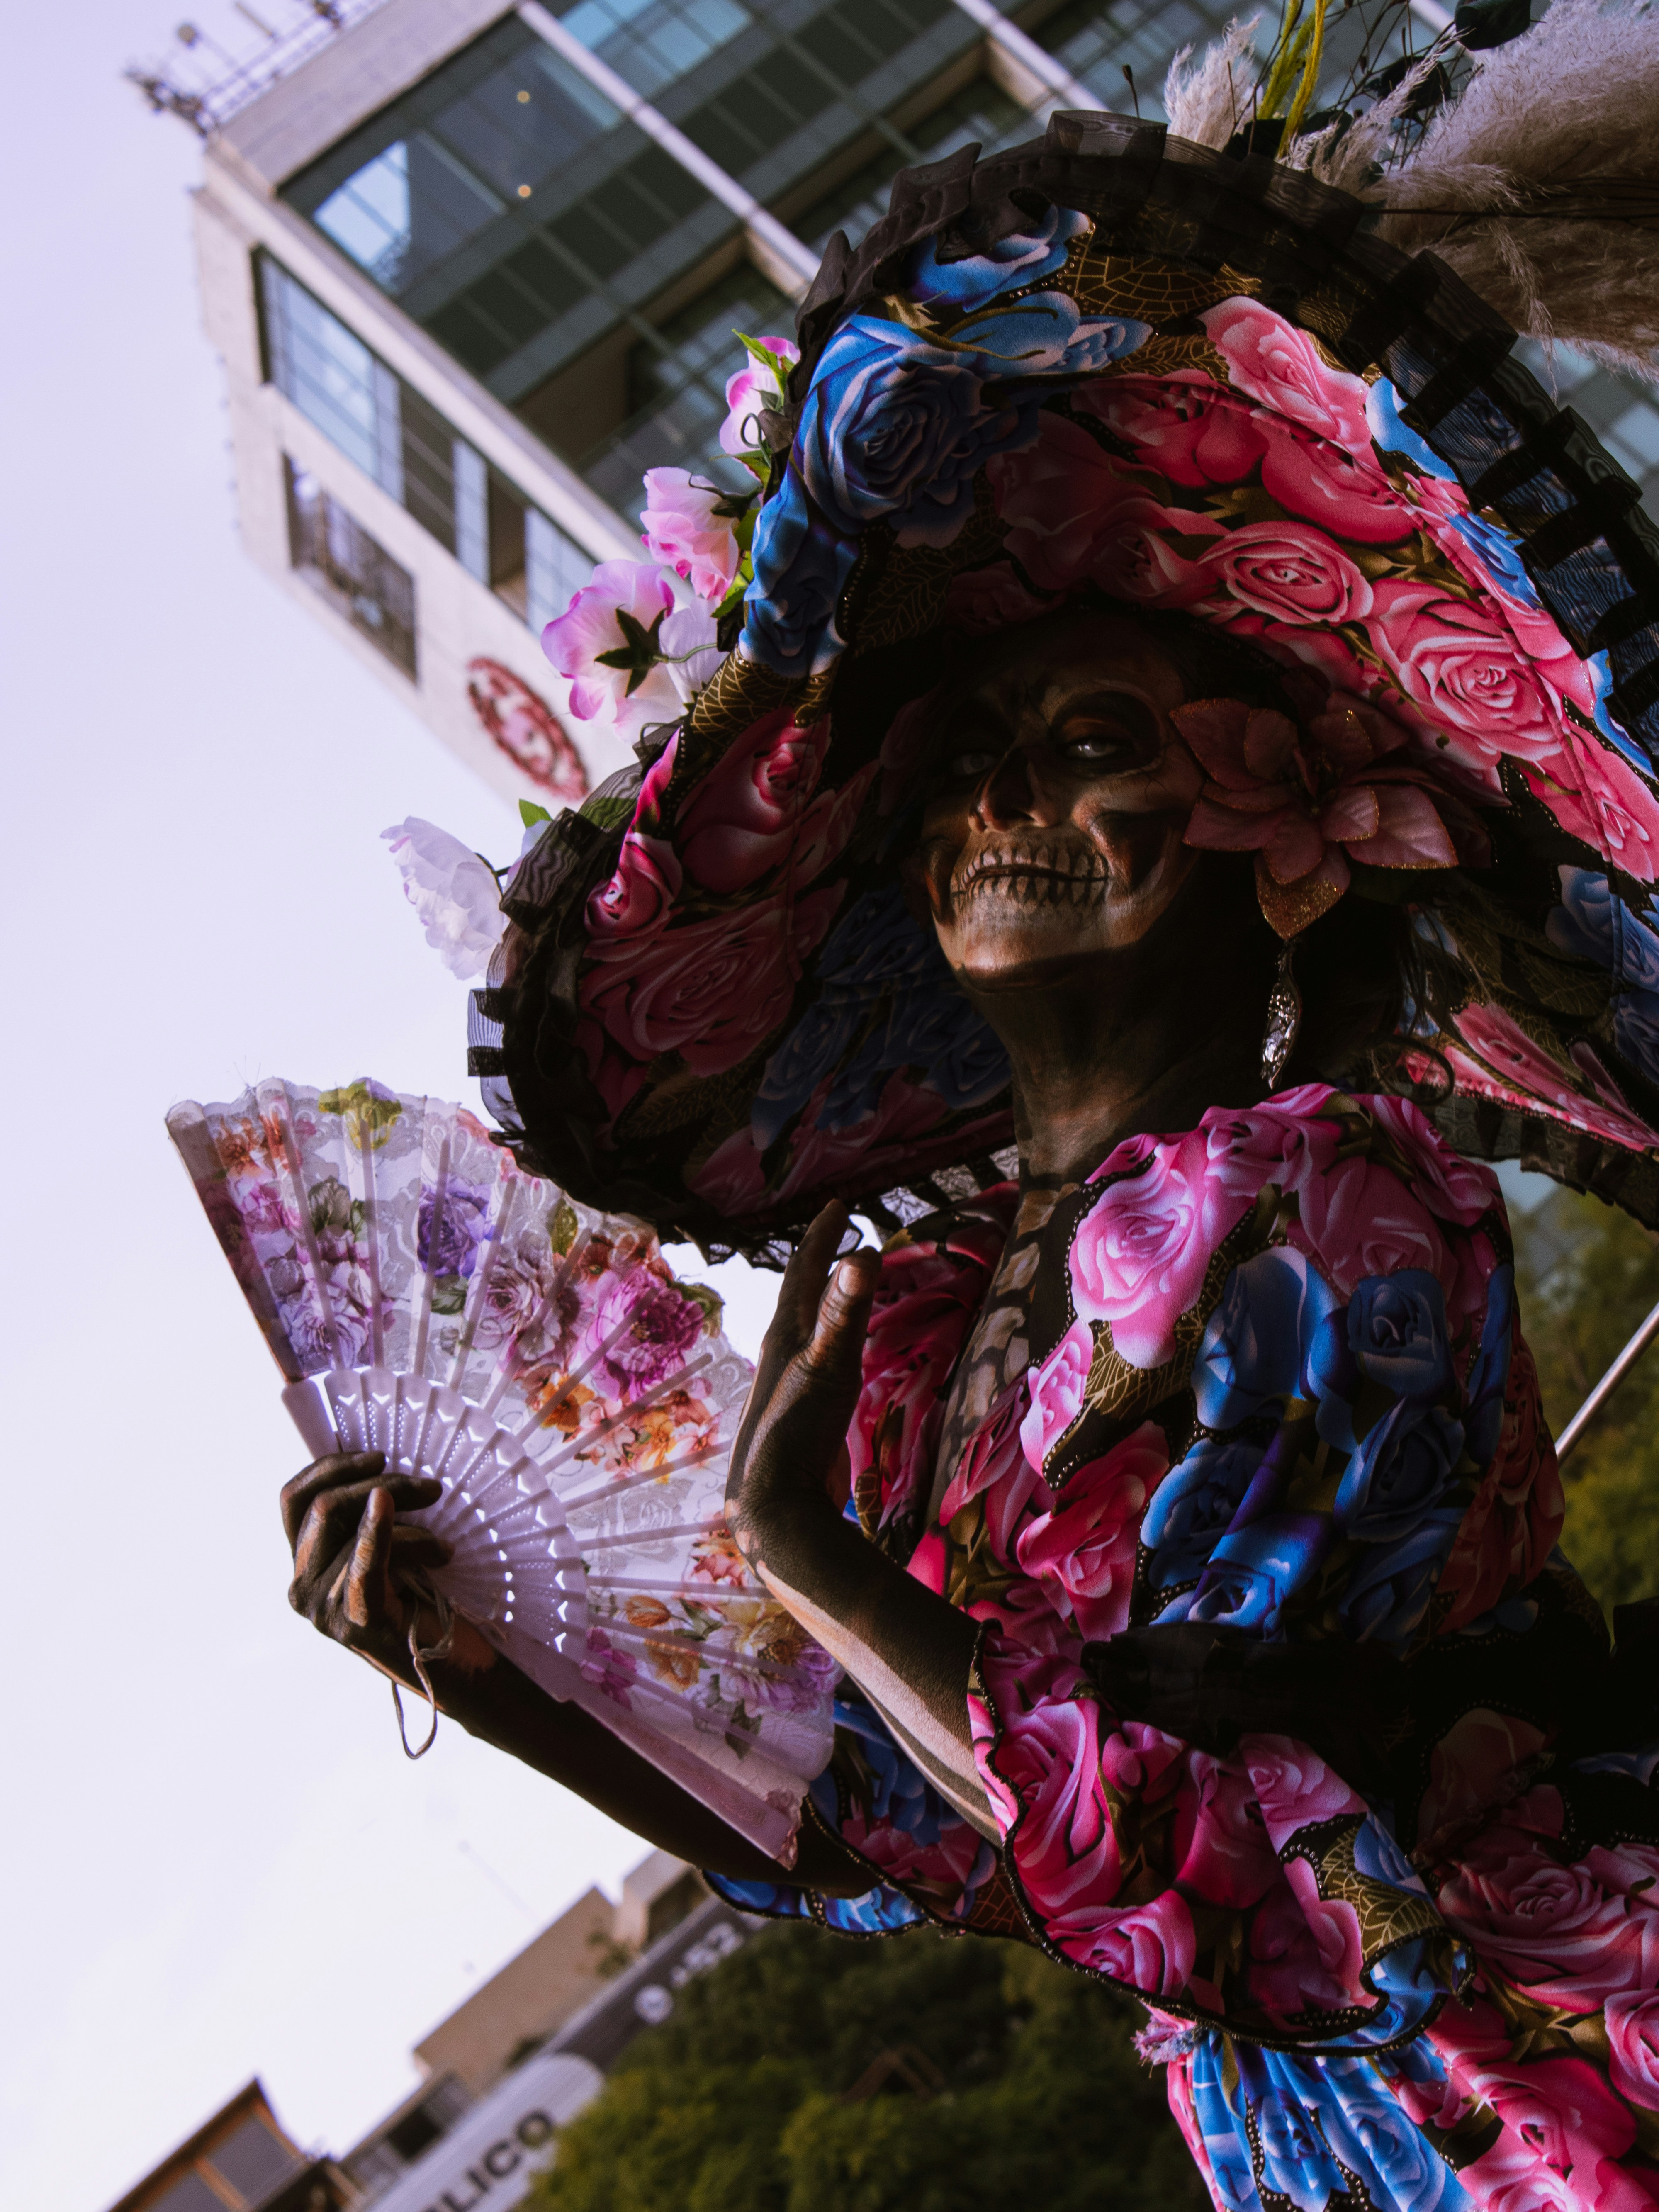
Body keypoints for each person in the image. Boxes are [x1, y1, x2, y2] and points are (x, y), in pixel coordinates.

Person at [284, 24, 1659, 2207]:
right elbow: (947, 1825)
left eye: (1090, 724)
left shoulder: (1333, 1198)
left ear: (1265, 821)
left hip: (1565, 2049)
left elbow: (1283, 1891)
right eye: (960, 768)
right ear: (915, 886)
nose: (1005, 789)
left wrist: (815, 1565)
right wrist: (496, 1663)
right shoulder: (922, 1336)